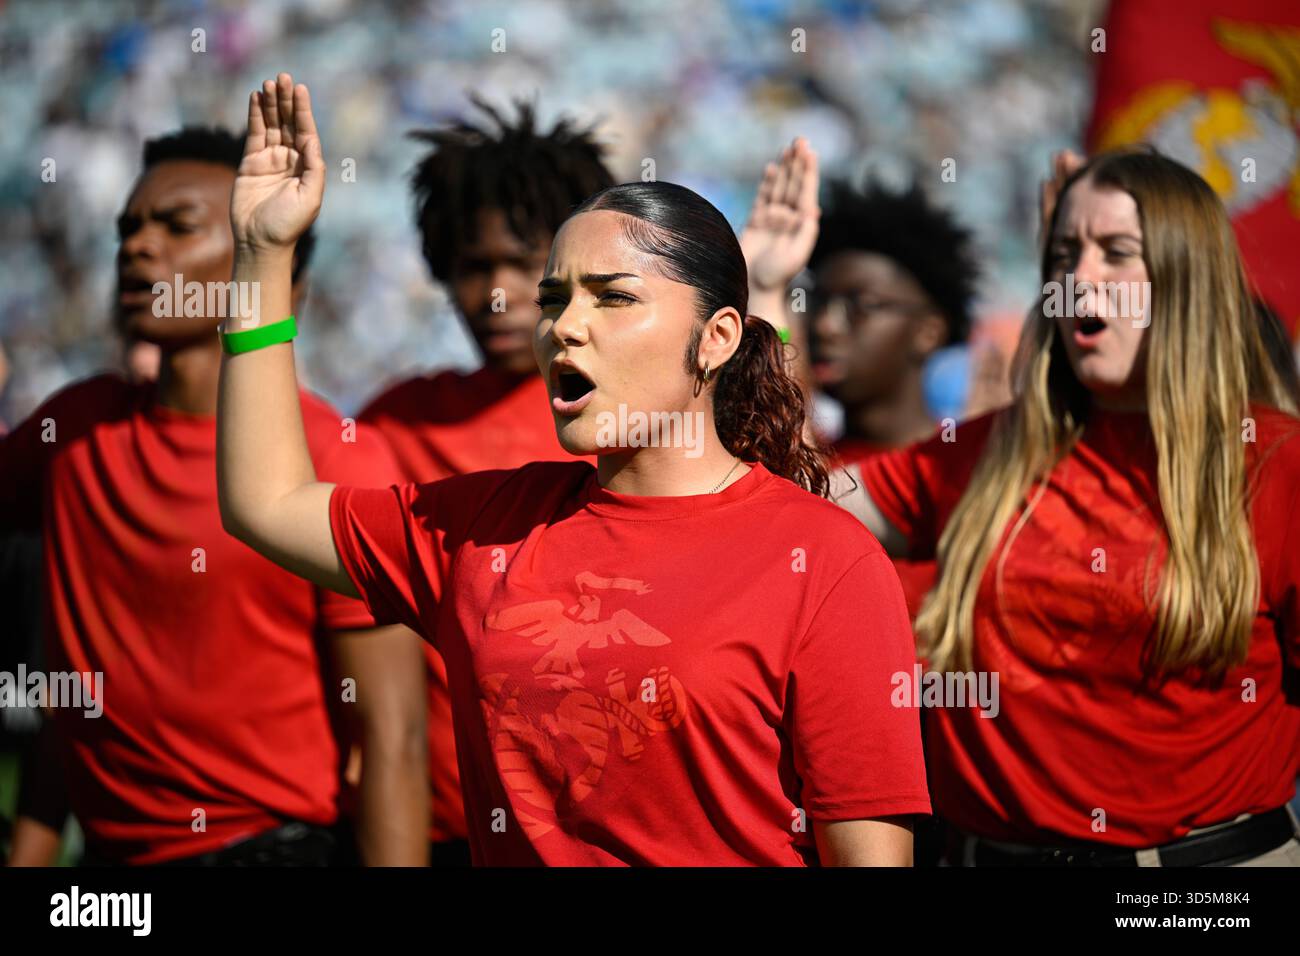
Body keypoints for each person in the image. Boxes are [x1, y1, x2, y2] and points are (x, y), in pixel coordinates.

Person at [217, 73, 930, 865]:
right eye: (554, 299)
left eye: (612, 298)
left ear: (719, 337)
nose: (564, 327)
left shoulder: (827, 560)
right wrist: (261, 253)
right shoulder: (485, 529)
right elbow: (265, 499)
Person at [839, 145, 1300, 866]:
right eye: (1063, 253)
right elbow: (782, 512)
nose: (1079, 278)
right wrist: (767, 299)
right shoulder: (984, 448)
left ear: (1186, 277)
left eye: (1117, 252)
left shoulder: (1277, 465)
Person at [0, 126, 426, 866]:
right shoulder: (69, 431)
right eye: (128, 228)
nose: (137, 247)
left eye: (177, 226)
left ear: (272, 263)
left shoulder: (336, 457)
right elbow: (74, 691)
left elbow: (393, 739)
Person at [356, 98, 614, 863]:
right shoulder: (389, 430)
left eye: (525, 264)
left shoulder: (630, 425)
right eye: (475, 267)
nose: (498, 294)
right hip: (440, 831)